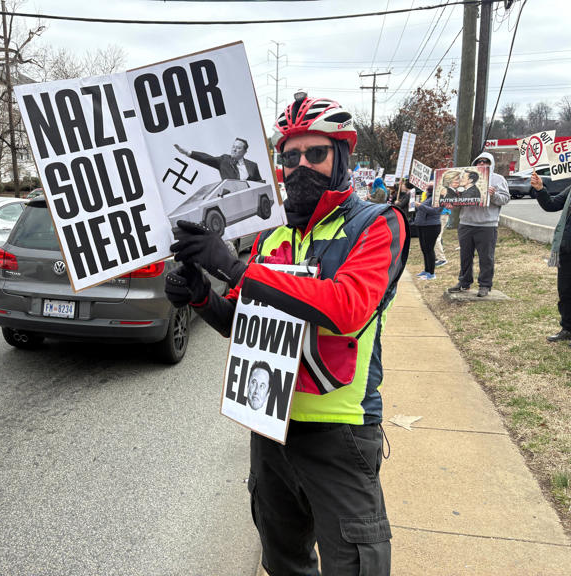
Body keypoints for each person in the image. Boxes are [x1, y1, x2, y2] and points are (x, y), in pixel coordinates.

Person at [165, 92, 408, 576]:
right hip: (269, 428)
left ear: (341, 157)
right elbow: (241, 324)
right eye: (290, 157)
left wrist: (237, 268)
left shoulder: (377, 225)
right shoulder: (271, 235)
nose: (301, 166)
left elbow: (346, 308)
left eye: (315, 154)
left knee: (354, 568)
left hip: (339, 434)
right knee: (283, 562)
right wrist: (200, 295)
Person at [447, 151, 510, 298]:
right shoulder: (463, 178)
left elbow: (505, 199)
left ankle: (485, 285)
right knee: (465, 255)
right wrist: (451, 203)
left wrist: (493, 195)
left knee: (486, 257)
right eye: (479, 161)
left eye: (486, 161)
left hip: (487, 224)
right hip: (466, 223)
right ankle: (464, 282)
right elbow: (458, 199)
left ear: (491, 164)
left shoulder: (498, 179)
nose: (482, 163)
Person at [531, 171, 571, 344]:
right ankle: (567, 328)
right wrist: (540, 189)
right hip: (566, 249)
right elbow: (551, 204)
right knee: (565, 291)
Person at [174, 138, 263, 182]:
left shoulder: (252, 165)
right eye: (233, 147)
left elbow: (259, 184)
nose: (234, 150)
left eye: (238, 148)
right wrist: (188, 152)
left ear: (244, 152)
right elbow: (207, 158)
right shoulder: (224, 160)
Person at [414, 193, 443, 280]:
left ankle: (431, 273)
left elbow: (435, 211)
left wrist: (420, 206)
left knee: (429, 249)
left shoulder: (438, 197)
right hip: (422, 225)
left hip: (431, 226)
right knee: (424, 249)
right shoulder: (428, 197)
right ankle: (427, 270)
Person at [432, 181, 450, 267]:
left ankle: (442, 259)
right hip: (441, 214)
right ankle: (438, 255)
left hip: (442, 214)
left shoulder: (445, 191)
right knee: (438, 236)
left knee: (437, 237)